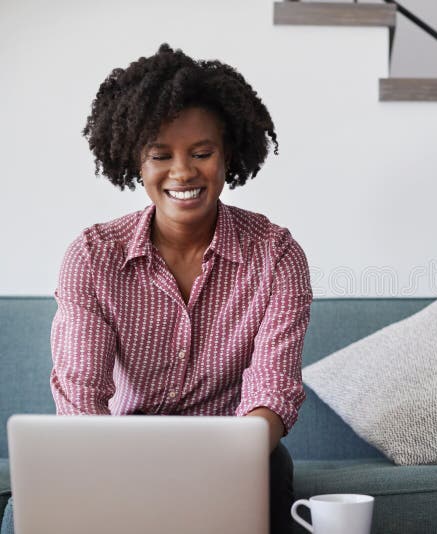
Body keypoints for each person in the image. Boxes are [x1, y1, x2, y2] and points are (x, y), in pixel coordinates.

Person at [0, 42, 312, 534]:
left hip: (238, 453)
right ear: (136, 163)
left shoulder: (277, 257)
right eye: (160, 155)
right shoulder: (92, 257)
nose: (183, 172)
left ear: (228, 154)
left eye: (202, 153)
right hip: (120, 452)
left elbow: (273, 388)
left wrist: (230, 456)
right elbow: (82, 395)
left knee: (271, 469)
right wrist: (108, 468)